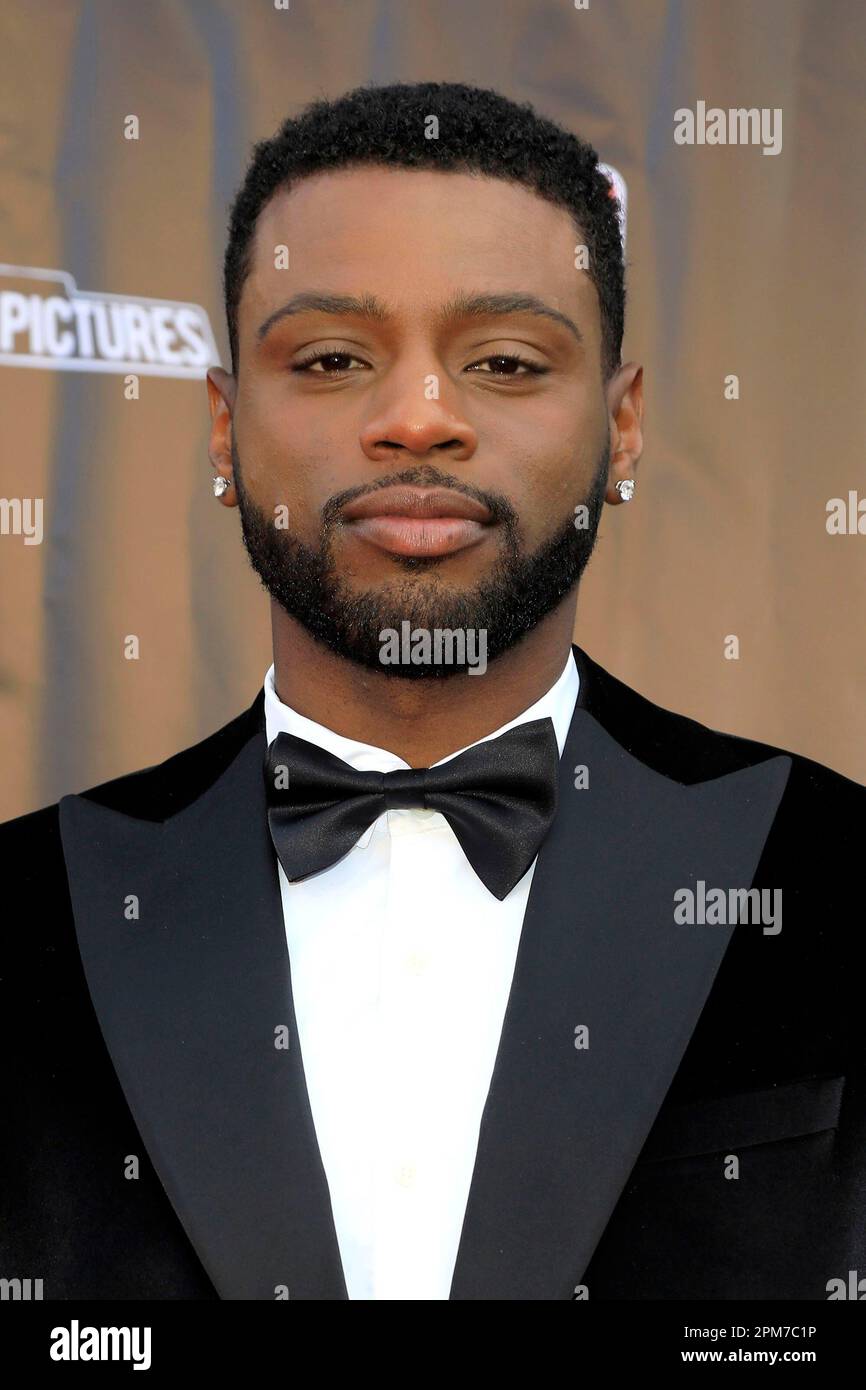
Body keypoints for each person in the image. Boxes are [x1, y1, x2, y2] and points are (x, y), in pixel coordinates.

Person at [1, 82, 862, 1302]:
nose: (417, 418)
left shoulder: (829, 875)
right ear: (222, 425)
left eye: (504, 361)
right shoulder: (28, 915)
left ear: (620, 432)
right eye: (333, 357)